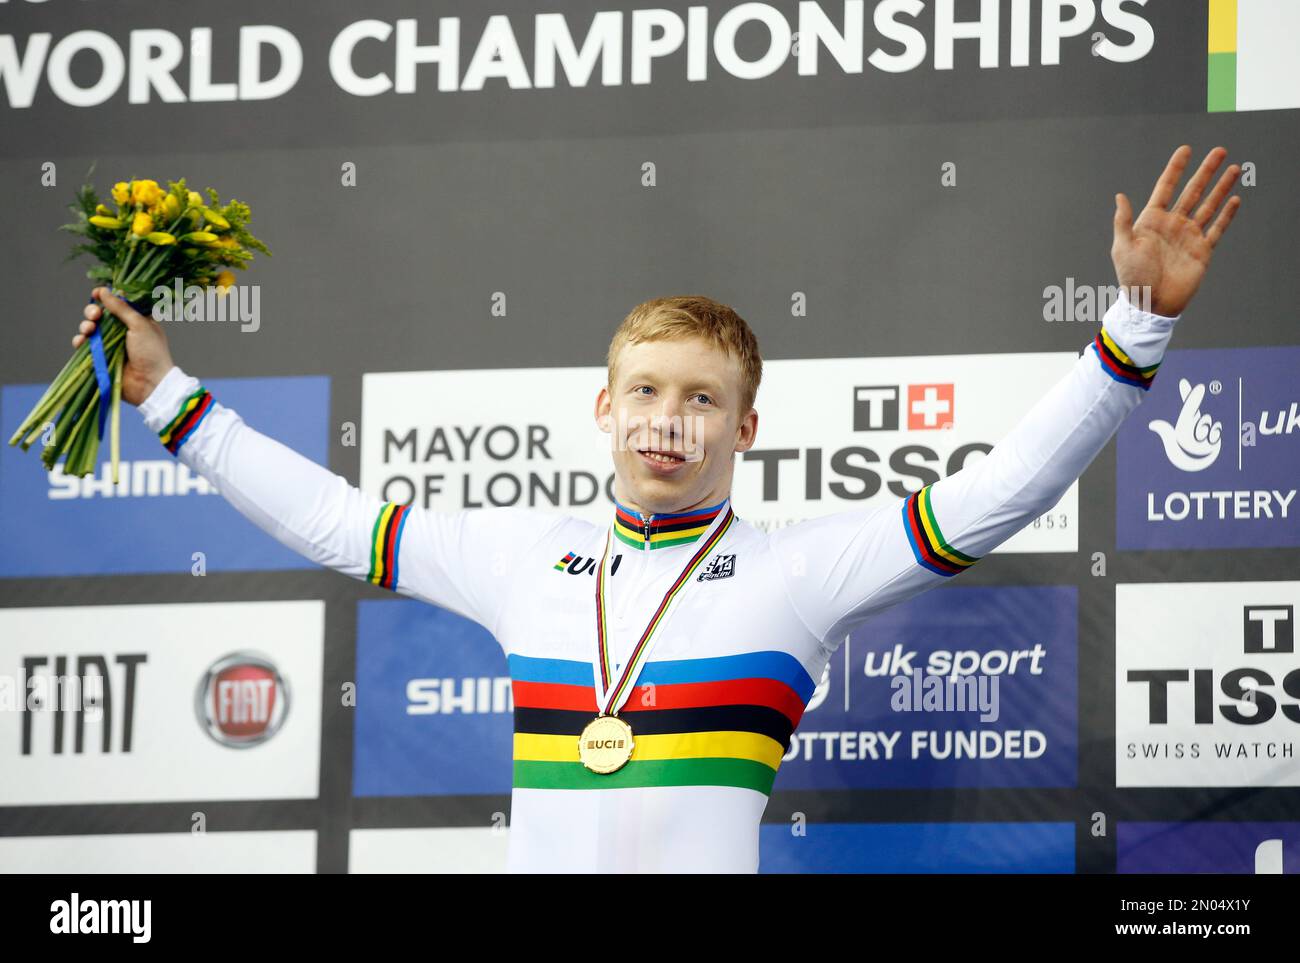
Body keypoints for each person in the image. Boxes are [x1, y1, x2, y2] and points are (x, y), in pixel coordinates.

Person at [74, 146, 1242, 873]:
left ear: (744, 430)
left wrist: (1133, 331)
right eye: (645, 392)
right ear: (603, 407)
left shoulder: (797, 572)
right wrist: (168, 394)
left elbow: (995, 496)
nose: (666, 420)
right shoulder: (521, 555)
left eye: (701, 400)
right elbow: (333, 521)